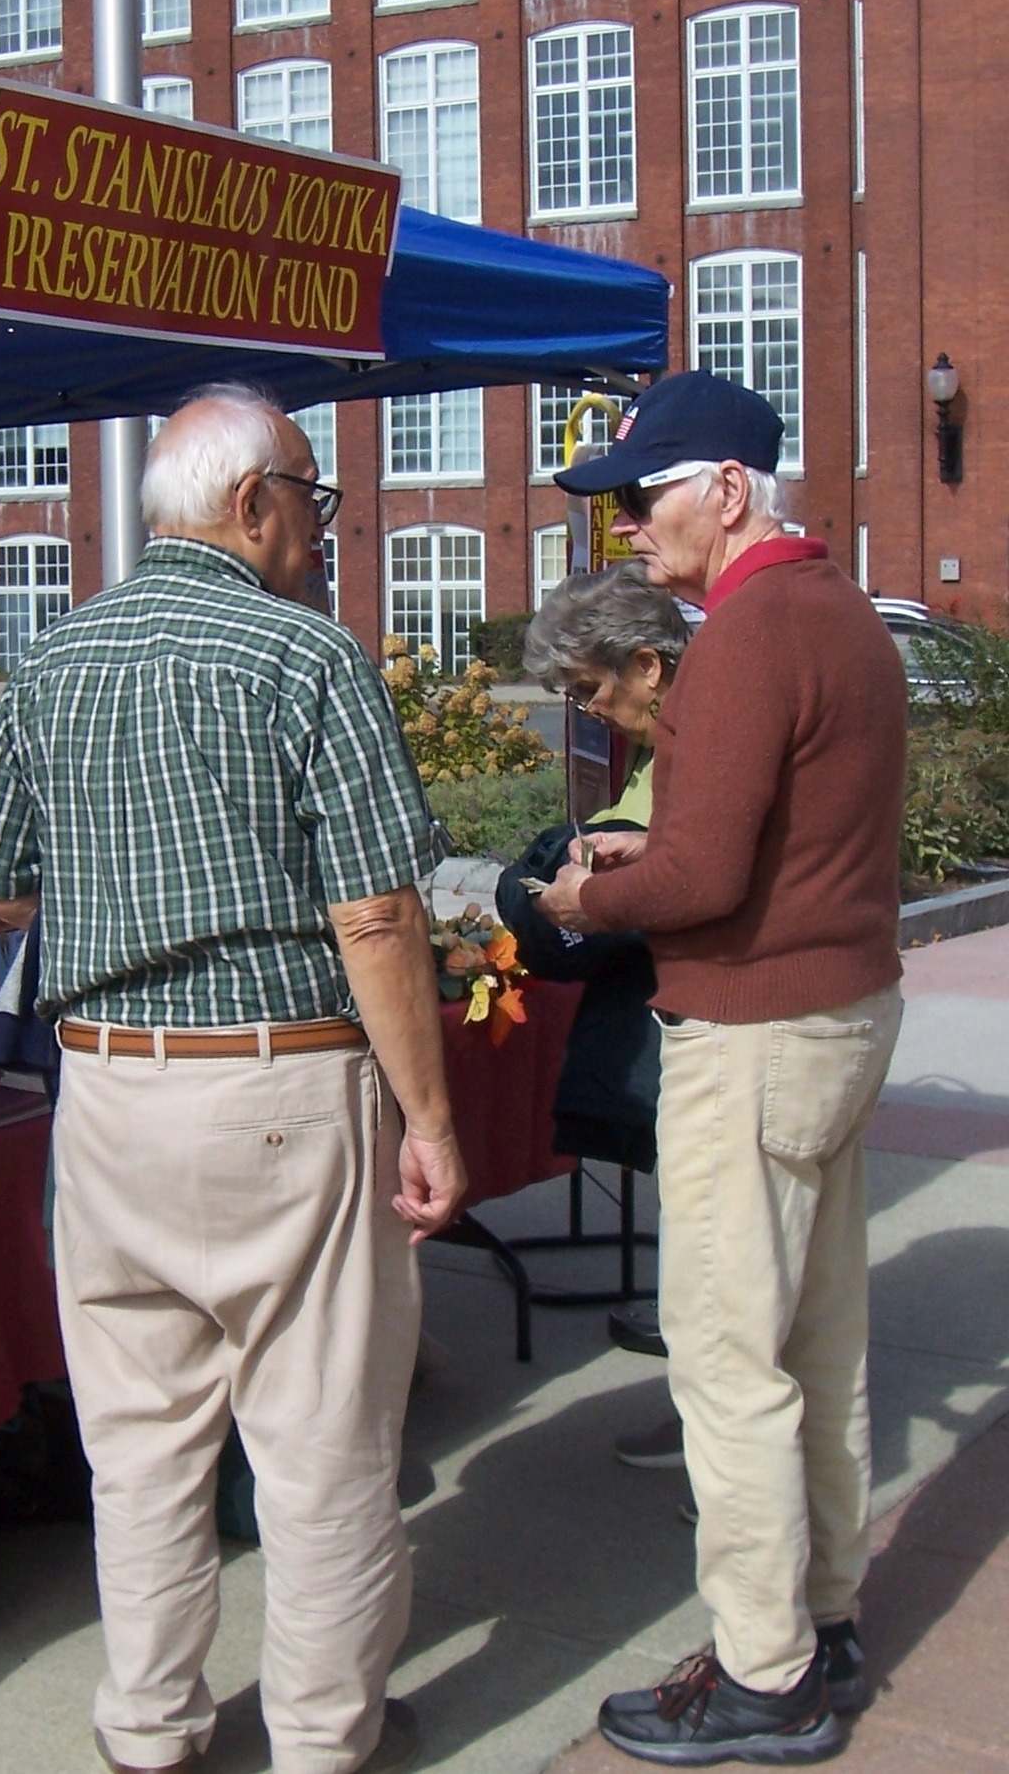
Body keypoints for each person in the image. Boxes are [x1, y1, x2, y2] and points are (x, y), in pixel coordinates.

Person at [0, 382, 465, 1774]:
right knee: (319, 1454)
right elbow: (377, 915)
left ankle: (150, 1730)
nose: (326, 529)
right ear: (253, 503)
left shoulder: (53, 660)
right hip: (281, 1092)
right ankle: (321, 1739)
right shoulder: (309, 659)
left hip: (108, 1094)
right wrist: (429, 1118)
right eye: (316, 498)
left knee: (139, 1451)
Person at [539, 369, 907, 1765]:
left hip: (754, 1034)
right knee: (818, 1341)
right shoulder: (839, 609)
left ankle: (766, 1677)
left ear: (728, 491)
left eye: (641, 496)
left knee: (728, 1362)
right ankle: (822, 1617)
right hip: (834, 1012)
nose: (626, 524)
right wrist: (668, 852)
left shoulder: (750, 628)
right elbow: (786, 838)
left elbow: (702, 873)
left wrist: (586, 899)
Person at [500, 562, 690, 1467]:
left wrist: (592, 889)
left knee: (724, 1258)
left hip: (710, 1027)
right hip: (685, 1013)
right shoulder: (670, 739)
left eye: (588, 690)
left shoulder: (702, 736)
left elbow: (698, 873)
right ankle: (710, 1429)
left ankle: (729, 1461)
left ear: (648, 665)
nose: (585, 712)